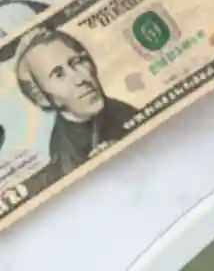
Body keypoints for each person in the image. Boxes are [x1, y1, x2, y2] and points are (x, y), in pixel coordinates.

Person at [14, 27, 139, 187]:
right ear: (42, 98)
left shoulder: (123, 111)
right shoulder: (63, 154)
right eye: (59, 75)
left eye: (77, 62)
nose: (80, 79)